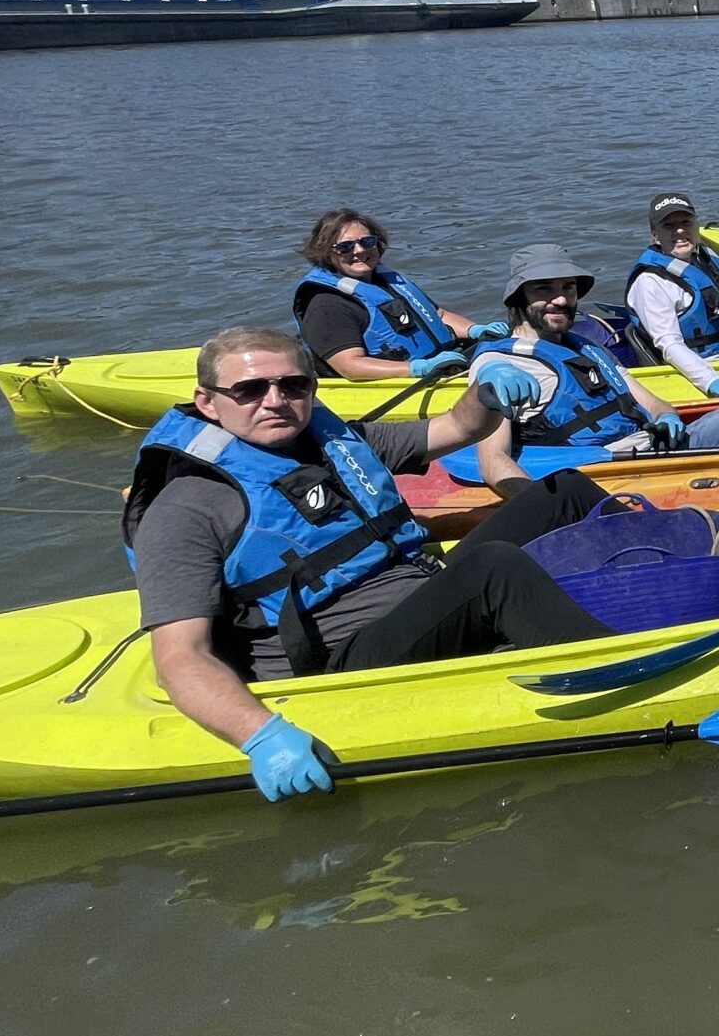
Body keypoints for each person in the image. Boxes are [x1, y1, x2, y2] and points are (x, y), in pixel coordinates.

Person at [124, 324, 617, 801]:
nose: (275, 401)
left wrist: (485, 395)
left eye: (293, 385)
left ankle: (673, 574)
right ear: (207, 401)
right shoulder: (184, 511)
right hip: (342, 658)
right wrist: (259, 735)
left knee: (562, 491)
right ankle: (618, 672)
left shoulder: (333, 444)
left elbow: (455, 427)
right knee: (493, 568)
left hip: (416, 590)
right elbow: (180, 658)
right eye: (250, 389)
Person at [471, 242, 688, 454]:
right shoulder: (500, 364)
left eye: (568, 287)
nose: (561, 300)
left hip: (653, 446)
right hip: (607, 469)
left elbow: (652, 403)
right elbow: (494, 460)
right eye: (543, 289)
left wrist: (665, 416)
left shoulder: (588, 348)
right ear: (519, 297)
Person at [293, 208, 506, 382]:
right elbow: (350, 366)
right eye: (345, 247)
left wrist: (475, 330)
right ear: (327, 253)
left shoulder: (387, 280)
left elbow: (438, 316)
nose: (359, 250)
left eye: (367, 242)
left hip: (446, 361)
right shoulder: (327, 306)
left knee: (511, 346)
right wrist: (418, 368)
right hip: (398, 383)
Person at [624, 191, 719, 399]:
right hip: (705, 367)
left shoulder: (705, 261)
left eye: (686, 223)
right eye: (668, 226)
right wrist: (712, 382)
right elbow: (669, 344)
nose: (679, 231)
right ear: (654, 234)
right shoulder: (650, 282)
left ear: (697, 226)